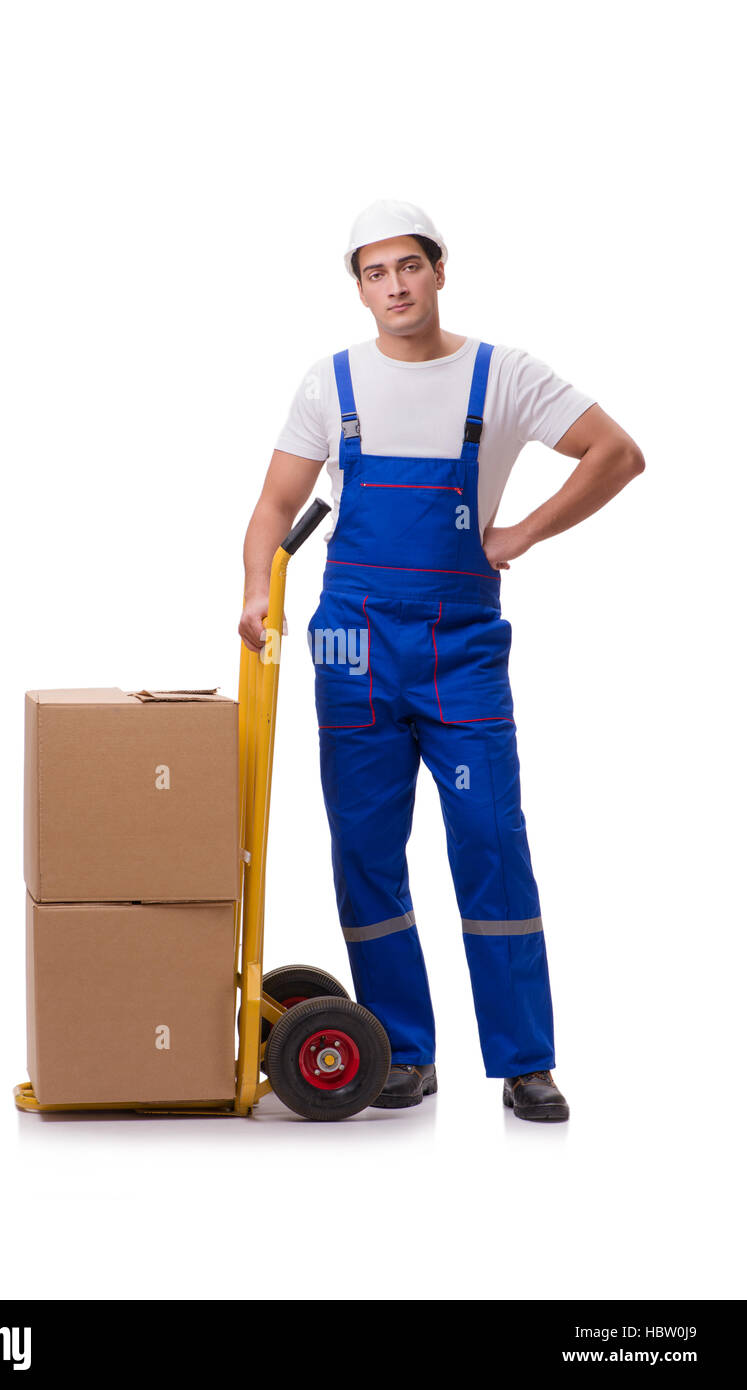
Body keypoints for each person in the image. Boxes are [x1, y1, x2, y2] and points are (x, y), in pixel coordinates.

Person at [238, 199, 644, 1122]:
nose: (394, 287)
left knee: (491, 844)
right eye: (374, 273)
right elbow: (274, 505)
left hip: (458, 647)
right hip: (349, 643)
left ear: (438, 270)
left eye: (407, 268)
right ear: (358, 287)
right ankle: (403, 1051)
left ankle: (524, 1061)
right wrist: (257, 589)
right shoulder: (328, 381)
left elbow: (616, 453)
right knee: (366, 850)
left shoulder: (502, 375)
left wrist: (523, 533)